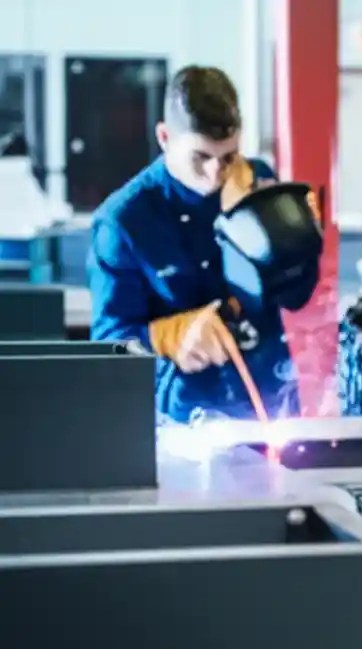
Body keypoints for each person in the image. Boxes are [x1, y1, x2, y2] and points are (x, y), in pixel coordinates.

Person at [87, 65, 298, 423]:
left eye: (228, 157)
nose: (216, 173)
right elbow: (111, 350)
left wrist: (292, 238)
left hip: (272, 404)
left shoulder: (256, 181)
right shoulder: (123, 221)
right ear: (165, 137)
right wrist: (172, 337)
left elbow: (296, 295)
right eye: (200, 157)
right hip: (182, 421)